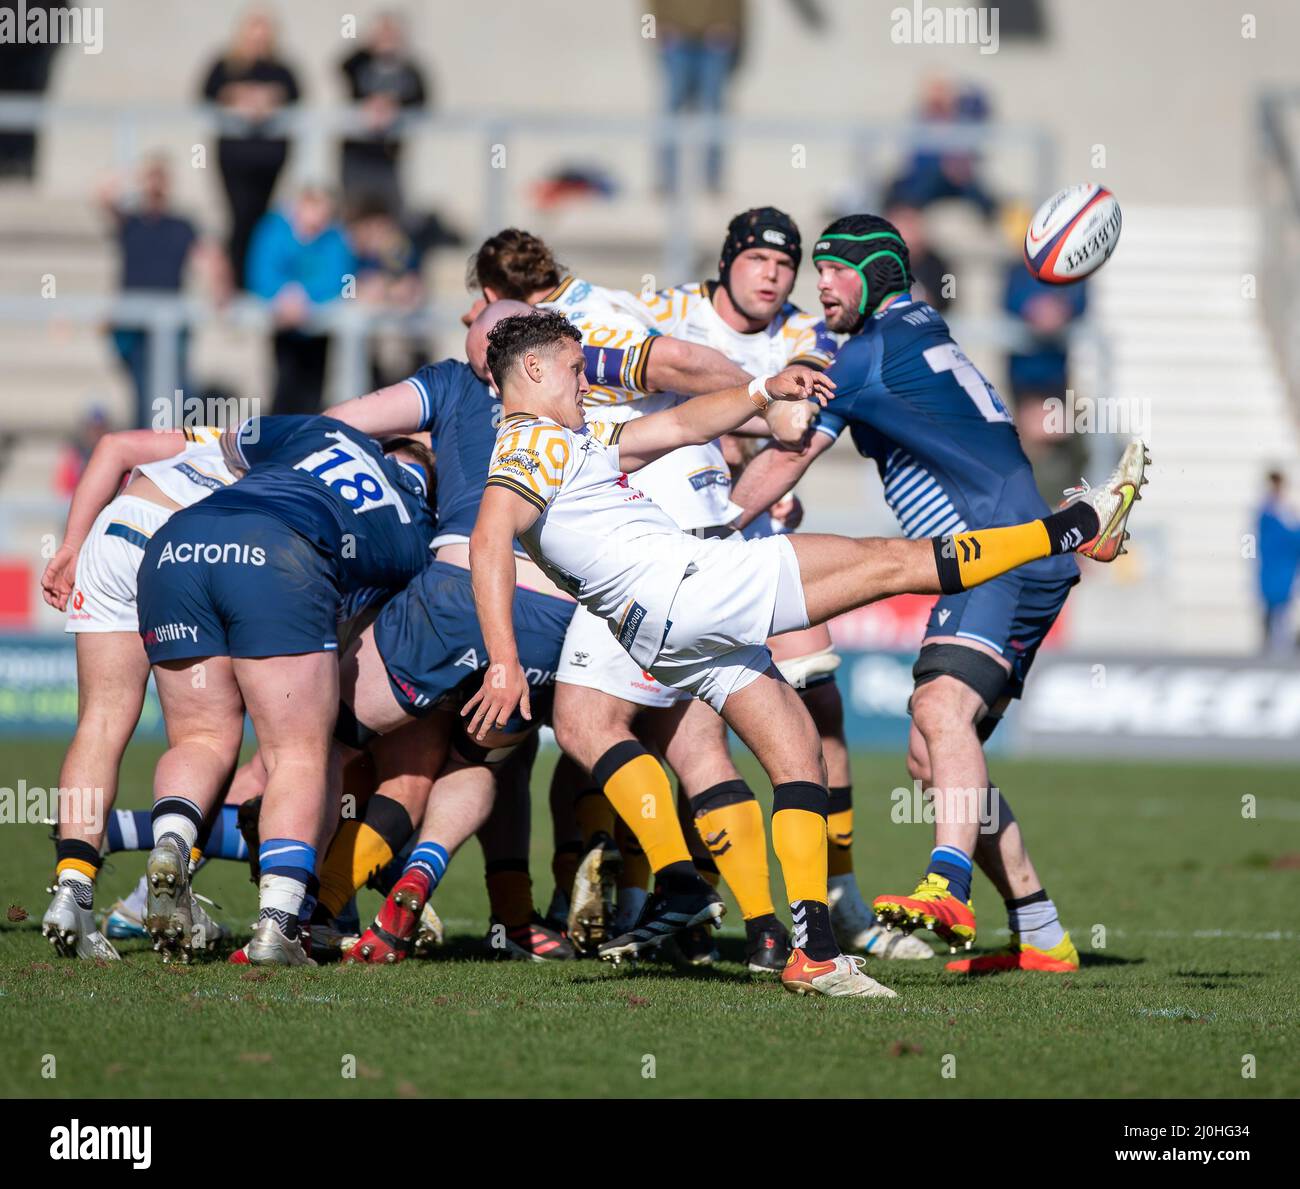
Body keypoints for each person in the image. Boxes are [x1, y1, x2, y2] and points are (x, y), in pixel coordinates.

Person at [464, 310, 1145, 998]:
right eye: (576, 370)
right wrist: (503, 658)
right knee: (889, 562)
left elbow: (679, 425)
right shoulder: (529, 444)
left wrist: (763, 389)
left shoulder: (566, 438)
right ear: (533, 370)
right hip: (687, 587)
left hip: (663, 630)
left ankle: (812, 952)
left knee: (799, 755)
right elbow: (489, 536)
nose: (585, 383)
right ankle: (1079, 525)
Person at [732, 213, 1148, 975]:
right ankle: (1041, 930)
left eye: (835, 269)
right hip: (1016, 549)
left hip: (995, 554)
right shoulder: (915, 327)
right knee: (934, 761)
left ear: (878, 274)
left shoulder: (864, 356)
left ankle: (948, 887)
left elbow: (785, 461)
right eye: (816, 268)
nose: (819, 282)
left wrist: (712, 526)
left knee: (937, 709)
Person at [600, 207, 930, 963]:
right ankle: (646, 897)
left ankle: (838, 899)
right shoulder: (670, 311)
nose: (774, 275)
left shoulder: (806, 337)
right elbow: (641, 384)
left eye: (786, 265)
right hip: (669, 540)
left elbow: (799, 430)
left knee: (820, 705)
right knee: (663, 719)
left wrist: (766, 478)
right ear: (728, 263)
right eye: (757, 260)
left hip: (751, 535)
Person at [135, 415, 434, 966]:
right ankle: (277, 923)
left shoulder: (325, 430)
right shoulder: (417, 533)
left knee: (200, 738)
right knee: (298, 753)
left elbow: (226, 444)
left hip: (178, 542)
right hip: (277, 553)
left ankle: (172, 842)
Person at [39, 425, 239, 960]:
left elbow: (112, 449)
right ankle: (174, 885)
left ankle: (73, 891)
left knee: (99, 723)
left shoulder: (220, 434)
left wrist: (72, 546)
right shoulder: (296, 463)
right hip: (185, 550)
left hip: (118, 528)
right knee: (206, 738)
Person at [99, 156, 228, 428]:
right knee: (146, 395)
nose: (155, 186)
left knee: (177, 393)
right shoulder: (130, 222)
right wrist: (127, 176)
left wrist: (218, 287)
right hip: (132, 324)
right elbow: (103, 195)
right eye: (150, 179)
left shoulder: (180, 225)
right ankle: (149, 457)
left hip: (170, 323)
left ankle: (174, 454)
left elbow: (207, 258)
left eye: (160, 179)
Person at [201, 9, 301, 286]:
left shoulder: (281, 69)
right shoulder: (225, 66)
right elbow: (206, 96)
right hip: (236, 160)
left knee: (262, 220)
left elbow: (295, 98)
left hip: (269, 161)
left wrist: (270, 98)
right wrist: (238, 95)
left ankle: (257, 283)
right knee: (240, 219)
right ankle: (237, 284)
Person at [246, 186, 357, 414]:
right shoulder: (274, 229)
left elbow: (341, 278)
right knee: (282, 389)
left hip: (318, 328)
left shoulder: (335, 238)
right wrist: (282, 296)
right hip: (282, 327)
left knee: (312, 397)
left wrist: (305, 298)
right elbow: (260, 271)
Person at [338, 11, 428, 214]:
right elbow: (342, 66)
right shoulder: (361, 65)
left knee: (391, 216)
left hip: (388, 158)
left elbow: (422, 98)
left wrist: (394, 105)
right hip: (357, 155)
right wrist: (368, 45)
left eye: (391, 34)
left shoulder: (408, 70)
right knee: (355, 214)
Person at [650, 0, 743, 195]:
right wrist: (660, 25)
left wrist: (728, 24)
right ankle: (667, 180)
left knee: (714, 111)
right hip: (677, 39)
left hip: (715, 41)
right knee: (671, 110)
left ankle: (713, 180)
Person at [1257, 471, 1300, 653]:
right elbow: (1253, 538)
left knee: (1283, 603)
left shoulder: (1285, 510)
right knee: (1271, 602)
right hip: (1272, 564)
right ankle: (1271, 641)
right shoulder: (1265, 510)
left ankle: (1281, 640)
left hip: (1284, 565)